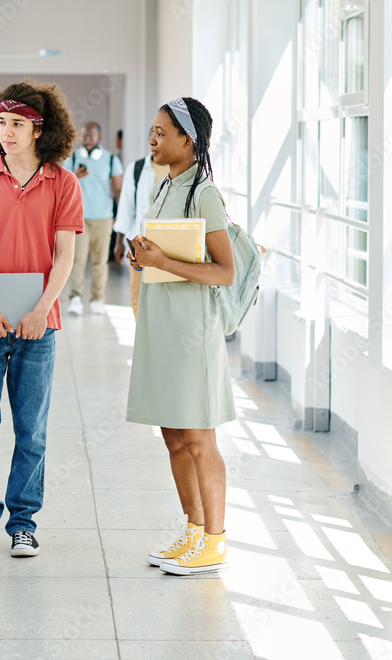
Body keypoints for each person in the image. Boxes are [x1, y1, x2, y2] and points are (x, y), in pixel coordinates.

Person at [0, 79, 83, 557]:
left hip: (38, 325)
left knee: (32, 429)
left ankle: (23, 520)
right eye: (2, 123)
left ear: (39, 129)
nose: (7, 132)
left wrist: (42, 309)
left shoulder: (64, 183)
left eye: (18, 124)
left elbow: (64, 254)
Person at [126, 97, 236, 575]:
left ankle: (215, 541)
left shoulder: (204, 194)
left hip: (193, 332)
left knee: (198, 436)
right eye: (151, 130)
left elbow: (224, 272)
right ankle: (192, 531)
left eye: (160, 132)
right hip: (162, 324)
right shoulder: (163, 185)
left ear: (187, 140)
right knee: (172, 433)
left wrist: (162, 262)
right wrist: (143, 257)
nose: (152, 139)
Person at [63, 122, 123, 315]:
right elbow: (62, 186)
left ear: (100, 137)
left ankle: (97, 299)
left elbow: (118, 190)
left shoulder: (111, 160)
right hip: (78, 218)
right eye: (85, 137)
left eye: (92, 137)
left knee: (100, 261)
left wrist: (119, 216)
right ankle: (75, 298)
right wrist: (75, 176)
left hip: (103, 217)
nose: (88, 141)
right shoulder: (72, 160)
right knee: (77, 259)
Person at [113, 129, 169, 317]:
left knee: (165, 297)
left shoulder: (178, 169)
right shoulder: (136, 168)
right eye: (152, 135)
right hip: (139, 244)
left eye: (160, 135)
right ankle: (142, 341)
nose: (155, 140)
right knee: (138, 295)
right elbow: (126, 207)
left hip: (169, 246)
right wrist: (118, 241)